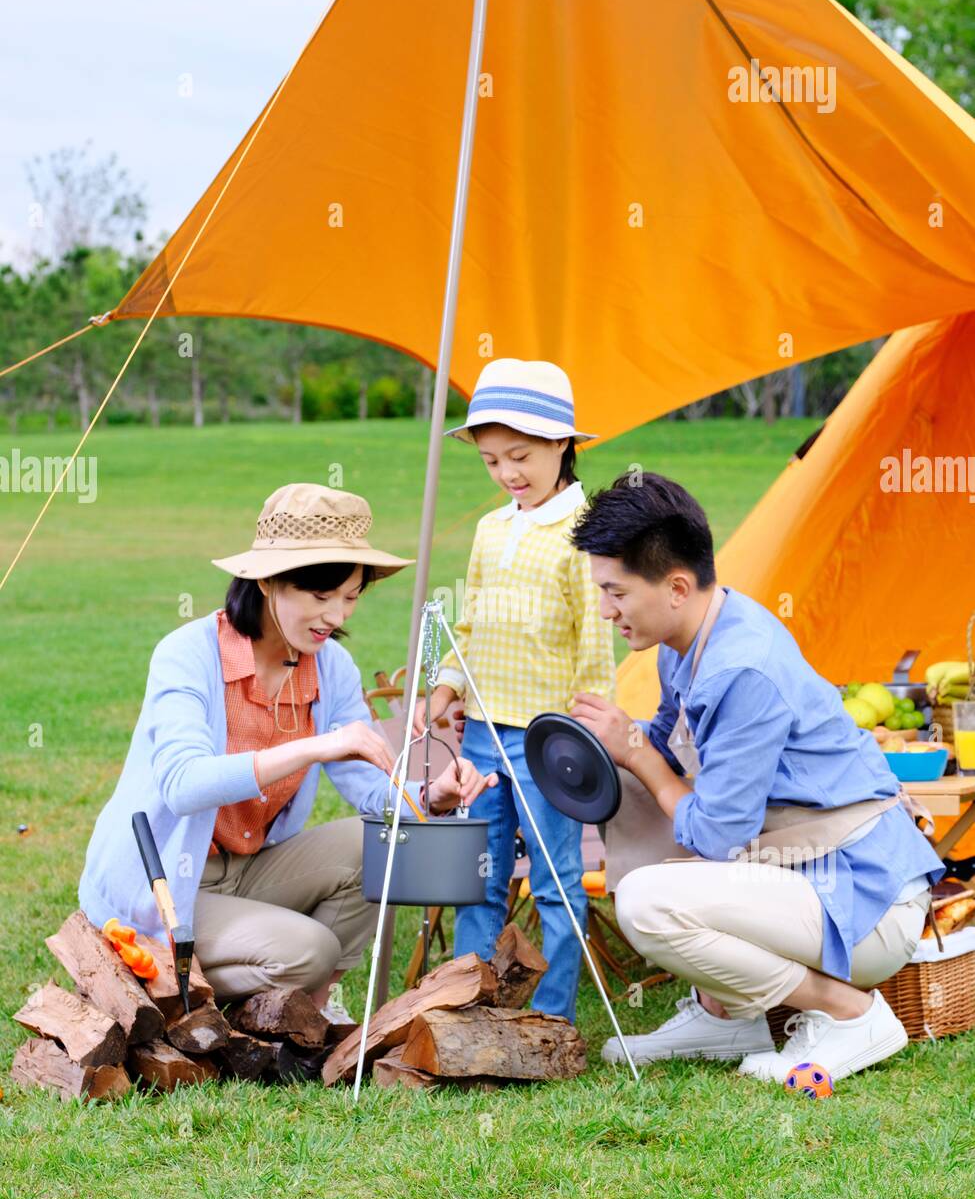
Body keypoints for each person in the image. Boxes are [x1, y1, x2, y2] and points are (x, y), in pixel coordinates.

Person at [567, 470, 946, 1081]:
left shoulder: (741, 668)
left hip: (864, 900)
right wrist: (599, 746)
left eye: (616, 592)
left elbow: (716, 833)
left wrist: (636, 752)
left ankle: (850, 1013)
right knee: (636, 794)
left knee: (646, 904)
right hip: (800, 874)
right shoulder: (687, 634)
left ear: (676, 586)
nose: (606, 611)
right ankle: (725, 1015)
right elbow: (666, 743)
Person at [78, 483, 496, 1019]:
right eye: (321, 597)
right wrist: (315, 746)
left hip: (249, 868)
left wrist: (429, 795)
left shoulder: (331, 668)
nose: (337, 617)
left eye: (349, 597)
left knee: (387, 844)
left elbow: (368, 786)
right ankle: (167, 983)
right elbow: (183, 785)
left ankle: (308, 1014)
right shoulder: (188, 655)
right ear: (270, 582)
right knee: (310, 950)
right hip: (166, 881)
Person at [414, 358, 616, 1022]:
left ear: (563, 444)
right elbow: (467, 621)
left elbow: (594, 639)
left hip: (545, 739)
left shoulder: (584, 533)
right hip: (479, 733)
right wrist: (445, 682)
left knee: (556, 879)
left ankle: (550, 1015)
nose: (507, 474)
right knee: (479, 875)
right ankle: (464, 1005)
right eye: (492, 461)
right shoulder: (490, 529)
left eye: (521, 456)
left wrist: (587, 730)